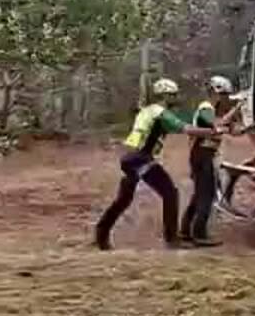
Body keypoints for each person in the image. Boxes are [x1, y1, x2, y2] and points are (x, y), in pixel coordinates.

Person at [94, 78, 219, 251]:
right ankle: (172, 239)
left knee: (124, 199)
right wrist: (212, 131)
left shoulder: (149, 110)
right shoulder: (161, 112)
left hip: (130, 157)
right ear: (165, 95)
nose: (176, 98)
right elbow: (185, 129)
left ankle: (101, 232)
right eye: (173, 95)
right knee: (170, 193)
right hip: (141, 158)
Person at [179, 75, 245, 247]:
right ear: (215, 93)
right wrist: (236, 109)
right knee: (207, 195)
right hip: (201, 155)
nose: (225, 100)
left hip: (204, 155)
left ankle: (185, 230)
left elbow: (229, 130)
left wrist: (246, 128)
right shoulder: (206, 108)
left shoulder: (214, 111)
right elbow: (215, 126)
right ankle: (199, 234)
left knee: (199, 194)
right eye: (223, 95)